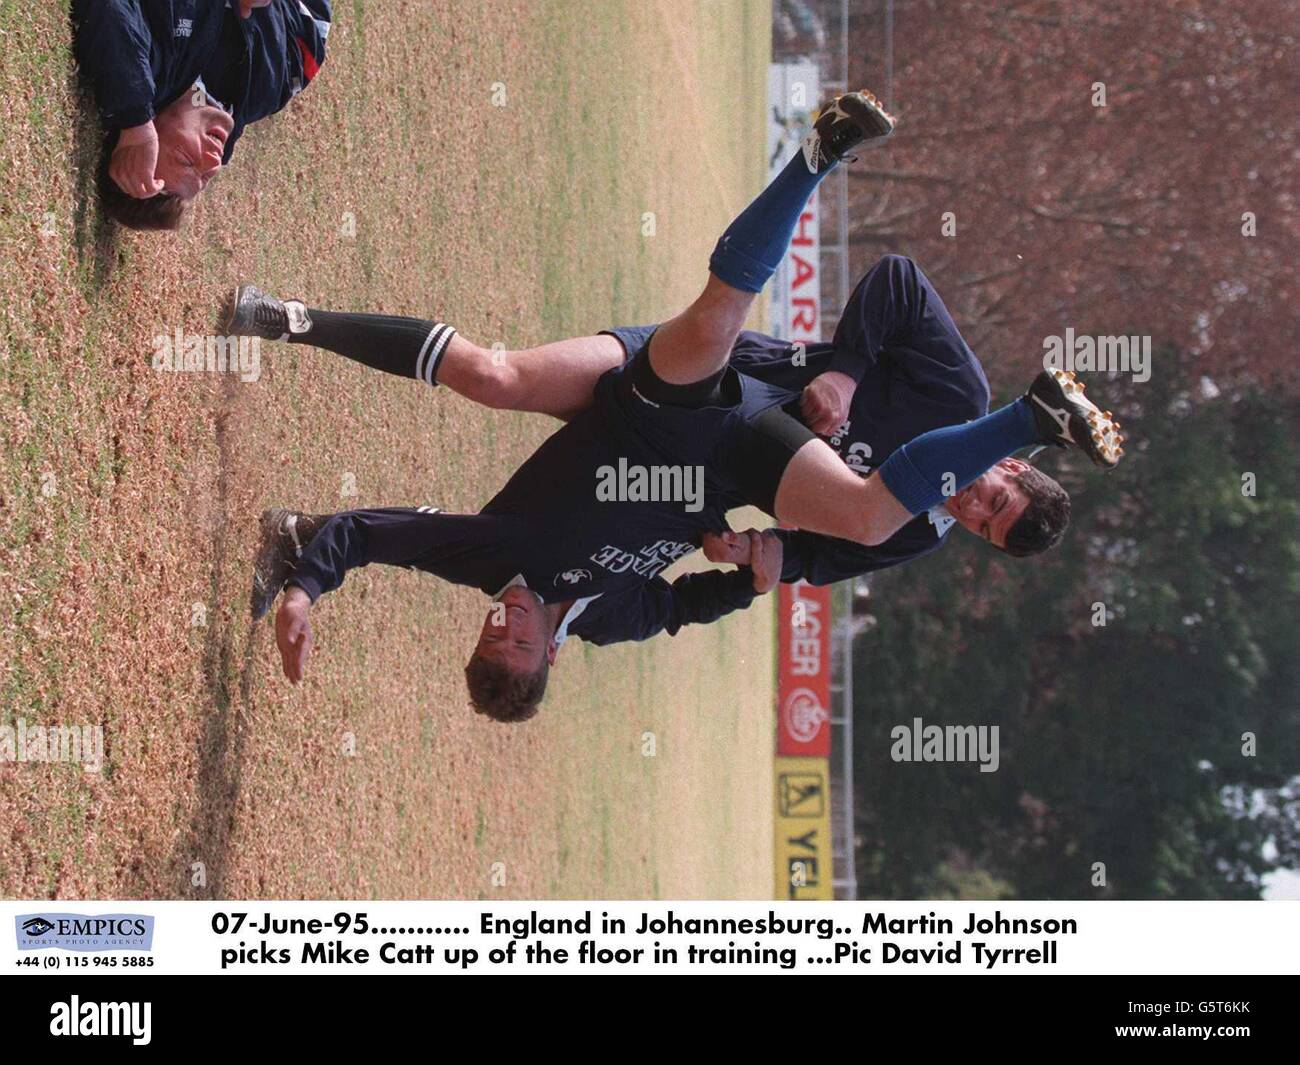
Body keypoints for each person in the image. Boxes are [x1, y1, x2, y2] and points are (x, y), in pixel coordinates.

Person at [235, 91, 1124, 722]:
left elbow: (773, 567)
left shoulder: (911, 531)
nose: (971, 506)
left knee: (860, 516)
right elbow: (895, 284)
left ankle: (1036, 408)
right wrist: (846, 371)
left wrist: (751, 560)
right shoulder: (950, 396)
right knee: (507, 374)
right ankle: (817, 158)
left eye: (981, 523)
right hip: (710, 391)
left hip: (725, 451)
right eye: (992, 497)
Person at [72, 0, 331, 230]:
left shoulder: (159, 61)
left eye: (186, 159)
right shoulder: (266, 89)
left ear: (153, 123)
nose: (213, 162)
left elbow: (110, 12)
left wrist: (134, 122)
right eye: (205, 178)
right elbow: (313, 28)